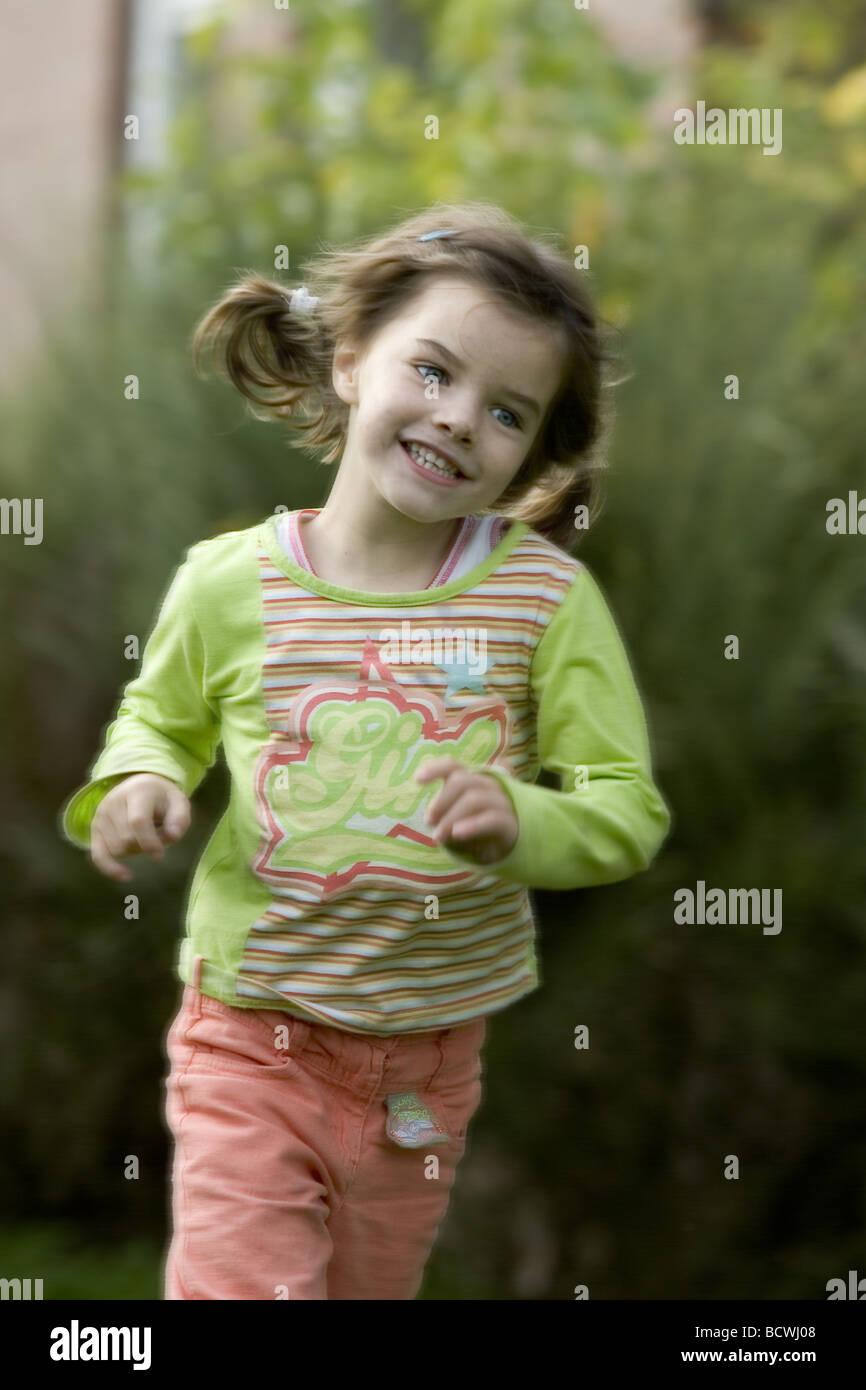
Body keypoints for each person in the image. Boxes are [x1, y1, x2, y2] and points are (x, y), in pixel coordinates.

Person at [58, 201, 673, 1300]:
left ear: (530, 449)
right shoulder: (230, 581)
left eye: (503, 411)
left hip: (423, 1069)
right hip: (253, 1036)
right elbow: (158, 718)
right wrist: (139, 778)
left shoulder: (541, 601)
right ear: (348, 362)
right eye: (431, 372)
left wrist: (521, 819)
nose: (455, 419)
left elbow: (623, 809)